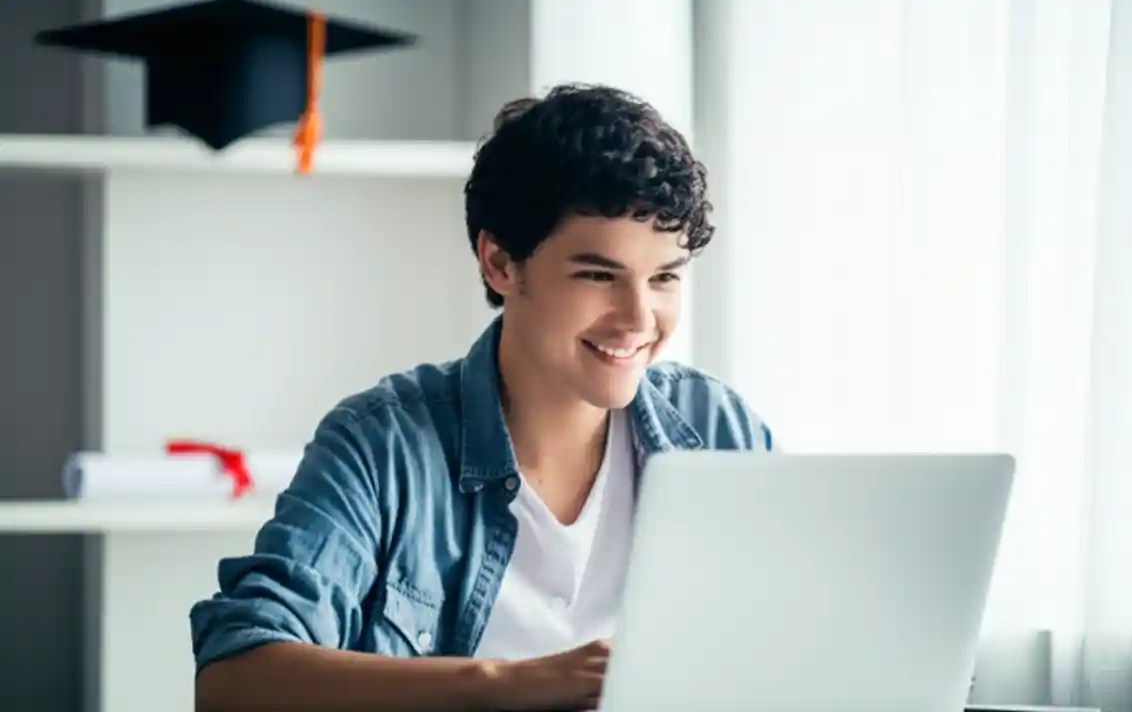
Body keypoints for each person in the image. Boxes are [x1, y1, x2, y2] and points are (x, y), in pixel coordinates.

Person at [190, 83, 773, 712]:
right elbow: (234, 682)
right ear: (500, 263)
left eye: (663, 278)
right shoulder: (382, 445)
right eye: (599, 275)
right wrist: (519, 682)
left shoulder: (719, 429)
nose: (638, 319)